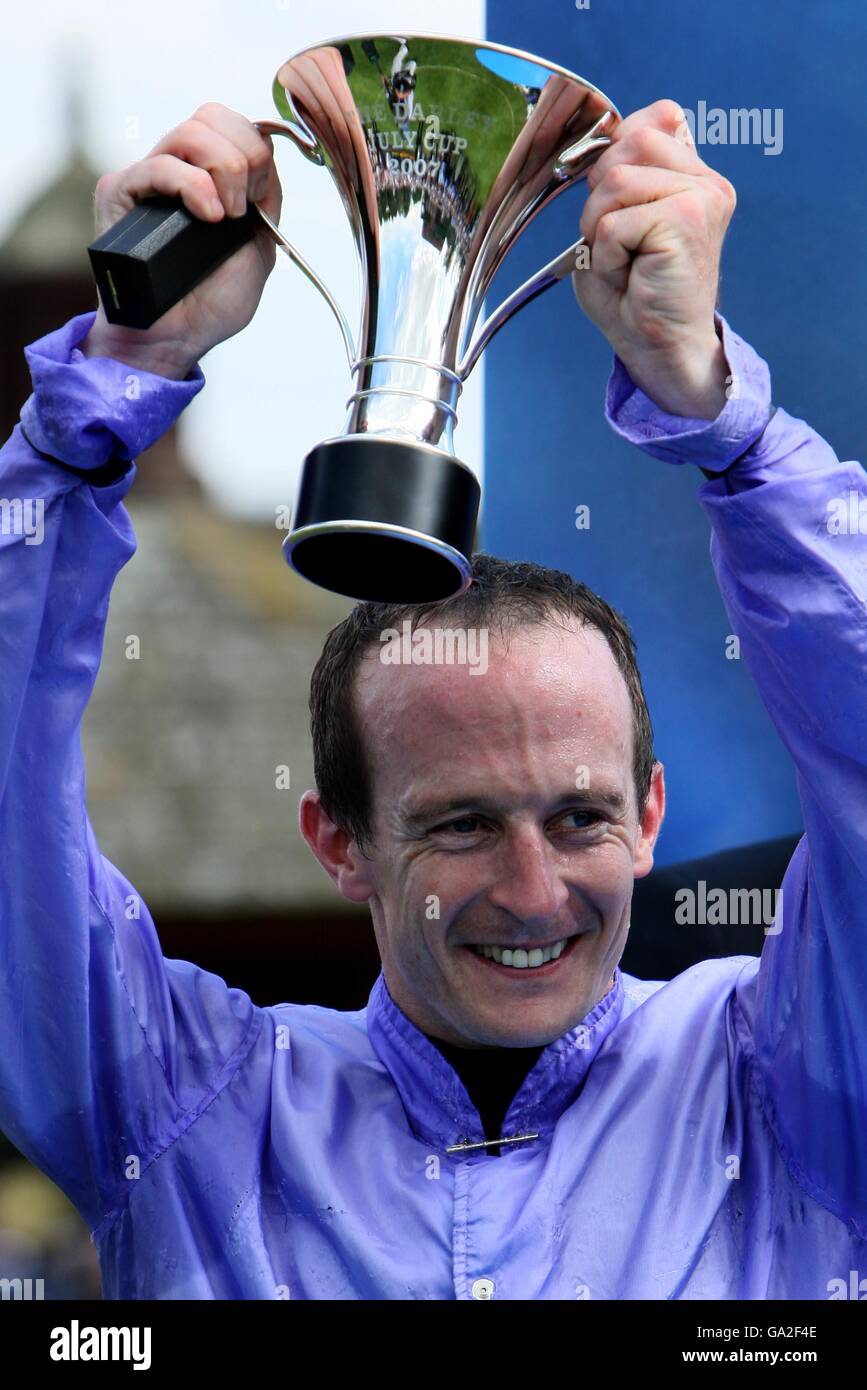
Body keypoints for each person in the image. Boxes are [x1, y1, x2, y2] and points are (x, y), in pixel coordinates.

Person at [0, 98, 864, 1301]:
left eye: (580, 817)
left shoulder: (789, 1078)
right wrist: (114, 383)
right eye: (460, 822)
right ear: (338, 841)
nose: (530, 889)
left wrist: (726, 419)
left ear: (653, 812)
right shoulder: (181, 1102)